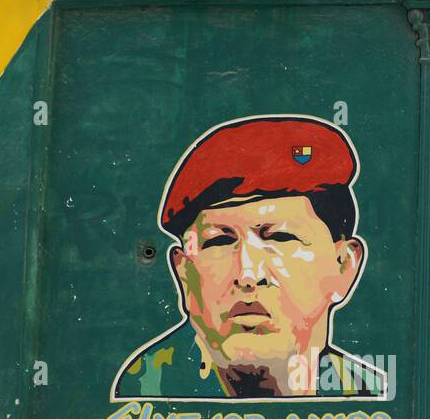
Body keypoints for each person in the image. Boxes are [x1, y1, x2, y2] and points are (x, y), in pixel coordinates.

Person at [112, 115, 388, 400]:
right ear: (183, 273)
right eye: (220, 241)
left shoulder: (368, 395)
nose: (248, 275)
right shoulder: (145, 392)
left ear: (344, 265)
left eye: (280, 237)